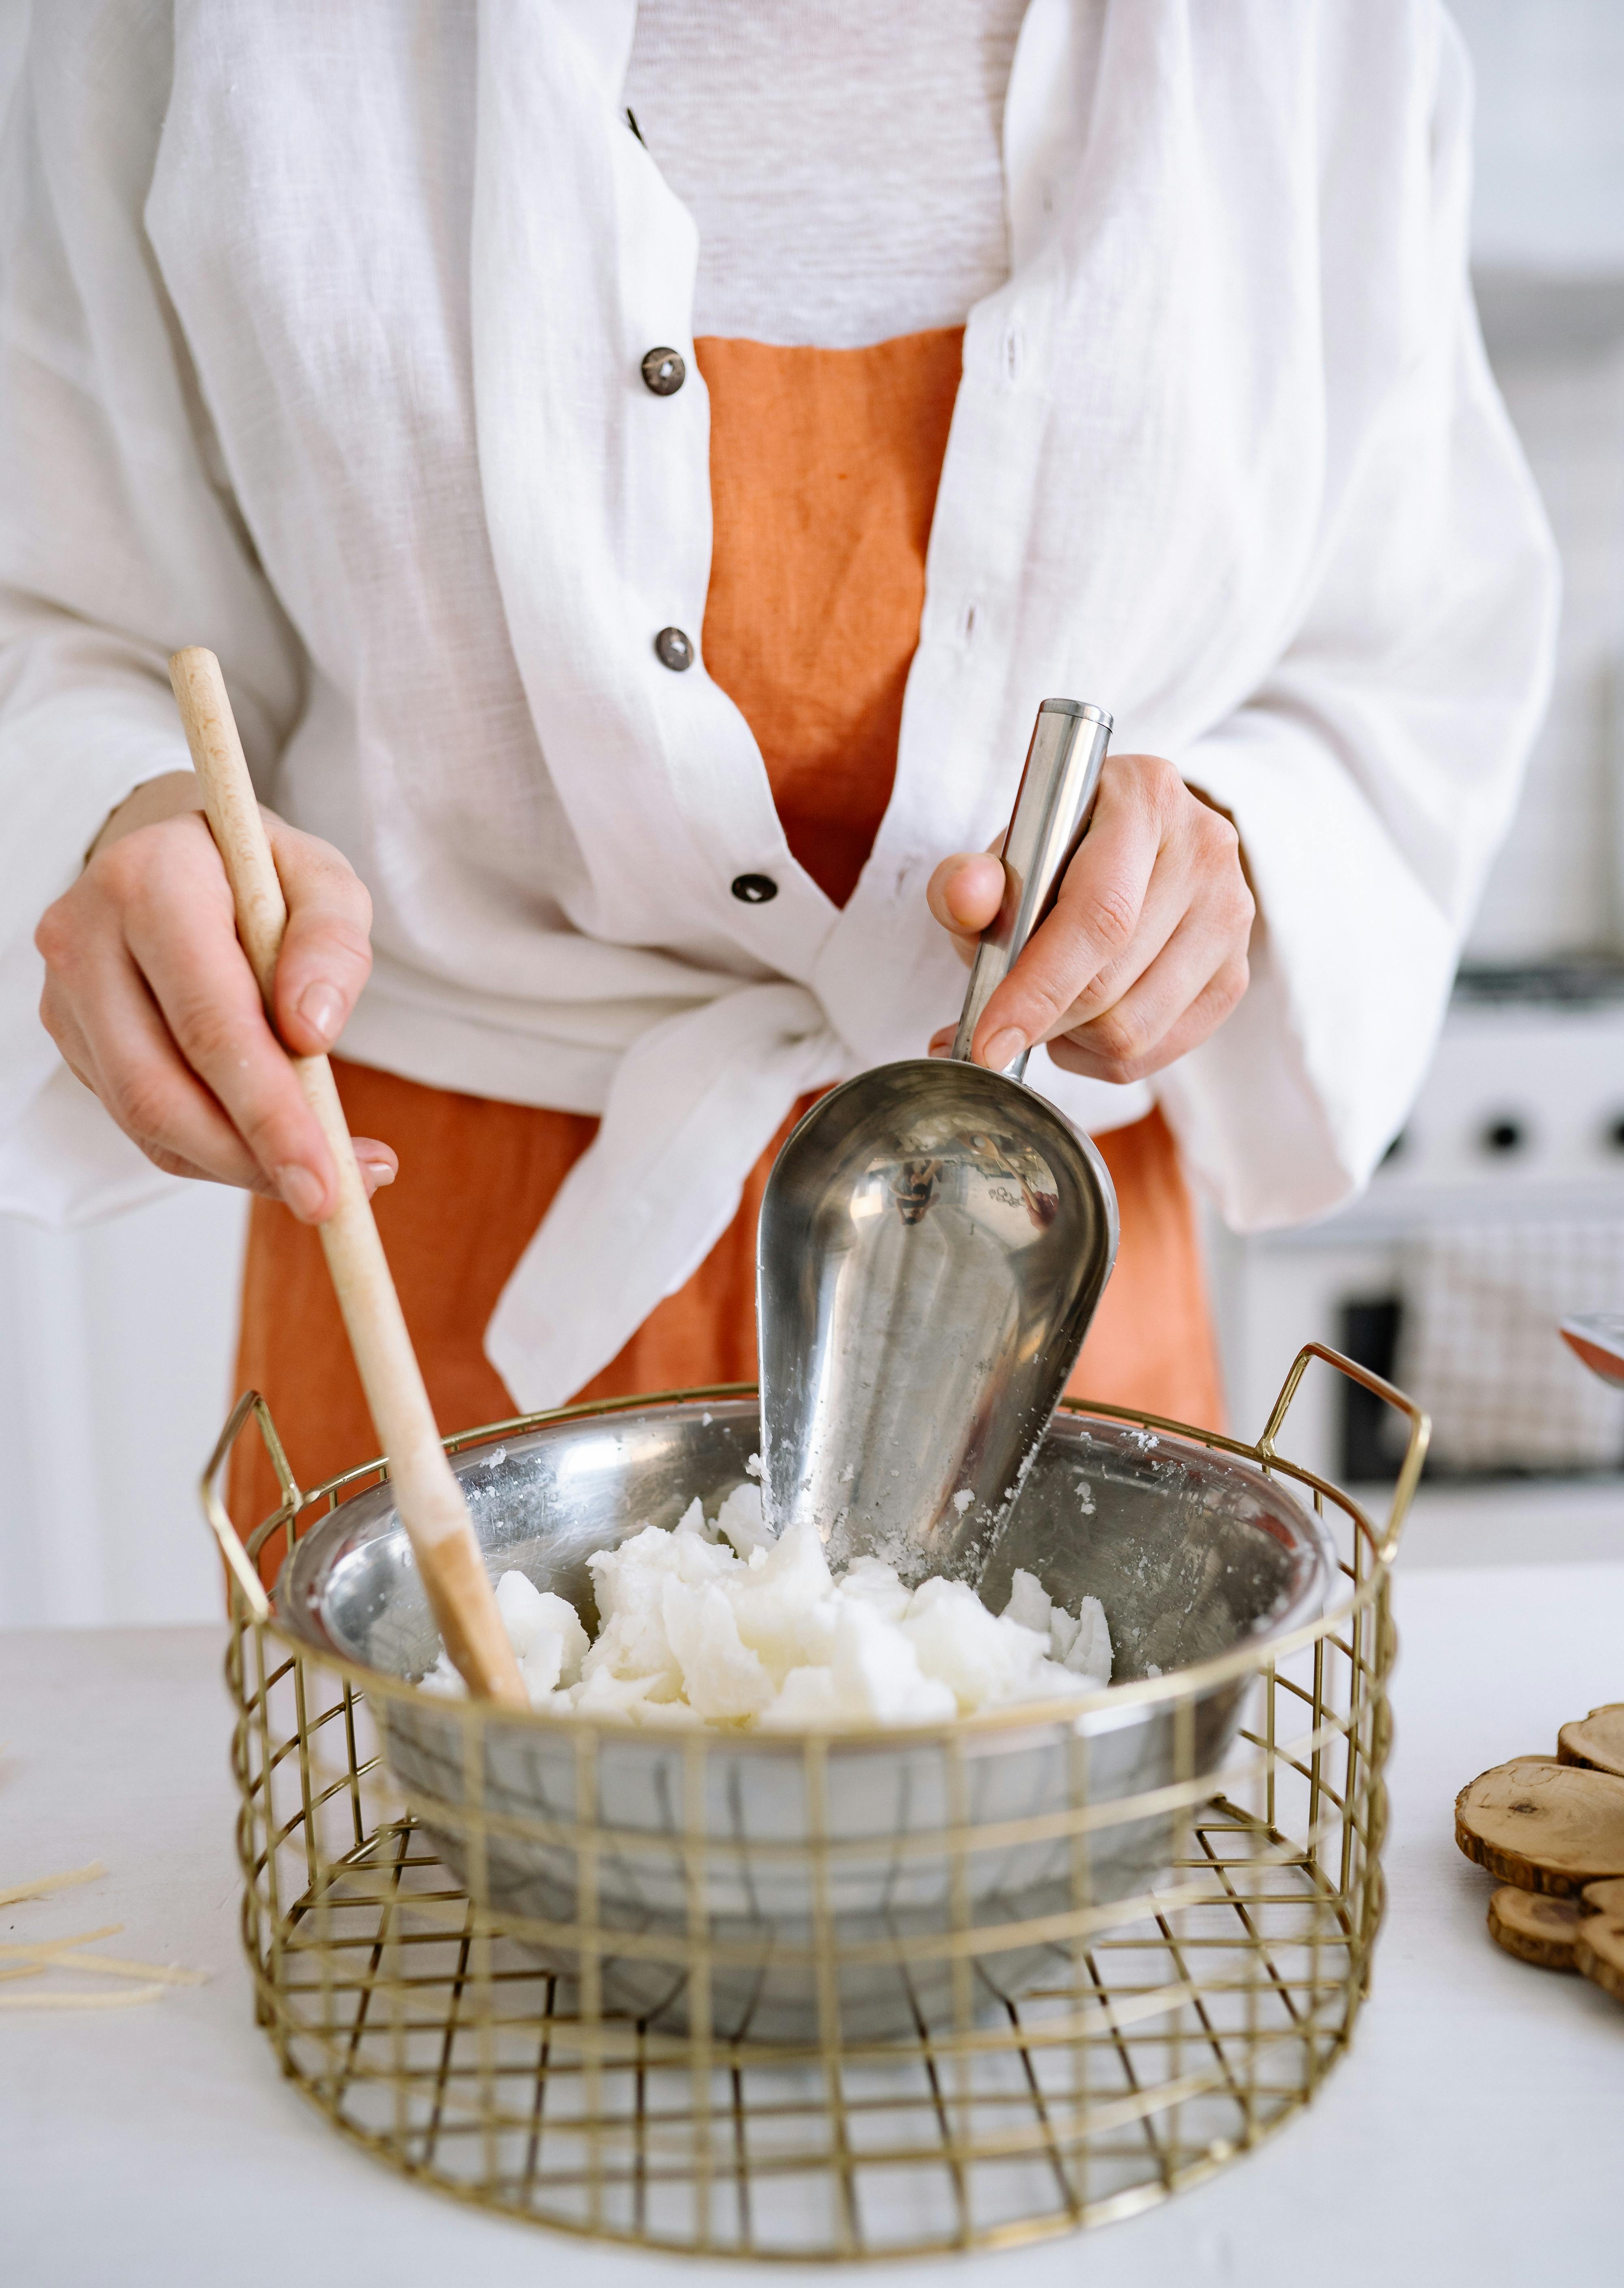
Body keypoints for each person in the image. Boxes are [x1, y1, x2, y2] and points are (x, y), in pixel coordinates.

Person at [0, 3, 1555, 1543]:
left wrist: (1230, 848)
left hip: (1028, 1295)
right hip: (435, 1300)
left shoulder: (1321, 38)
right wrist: (116, 810)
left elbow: (1409, 640)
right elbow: (55, 597)